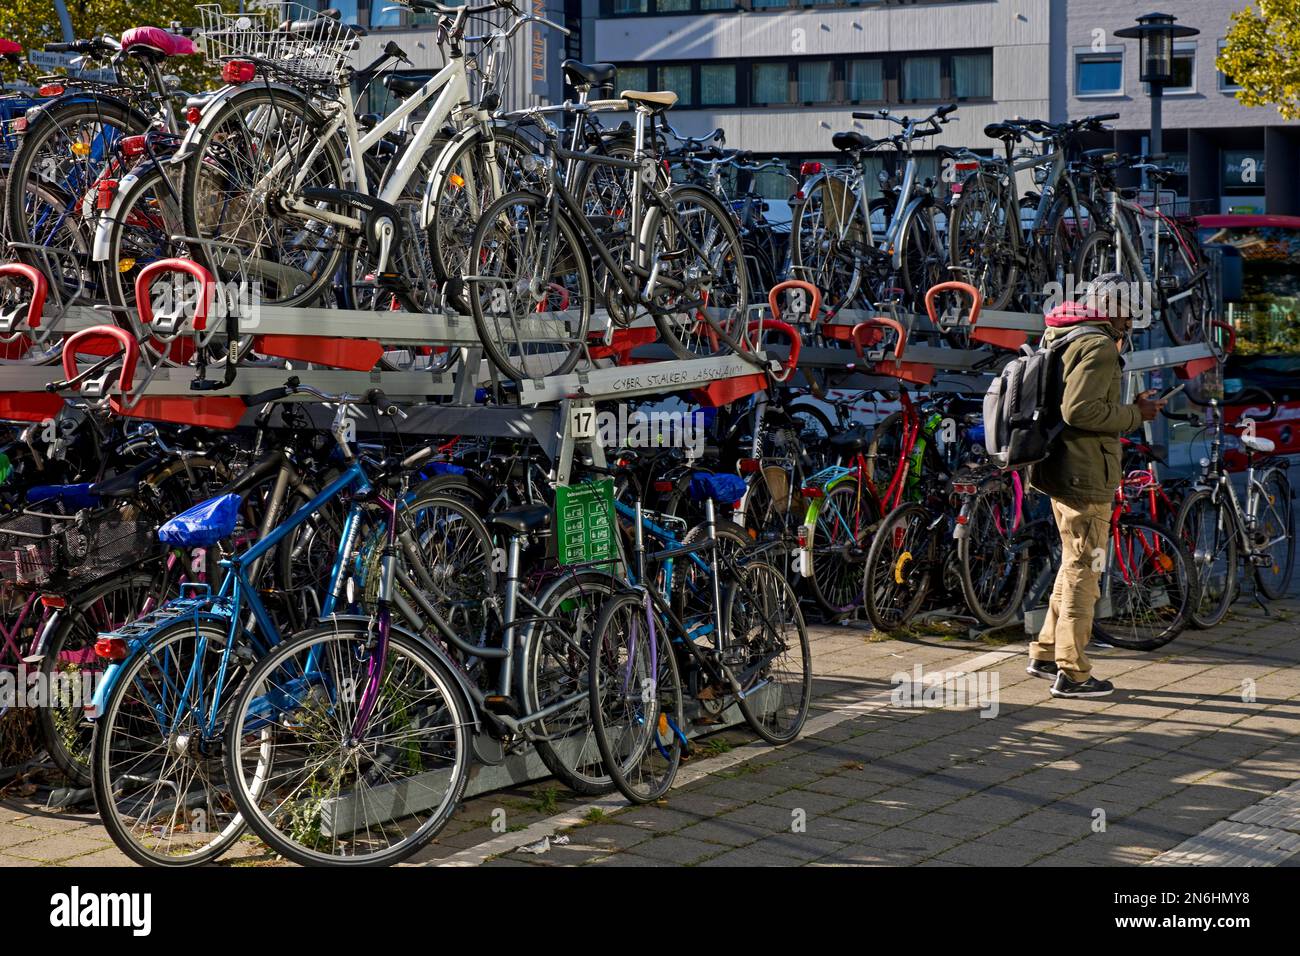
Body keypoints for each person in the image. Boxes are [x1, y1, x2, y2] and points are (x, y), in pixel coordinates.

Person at [1028, 275, 1166, 699]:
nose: (1132, 319)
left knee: (1072, 562)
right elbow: (1081, 410)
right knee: (1085, 572)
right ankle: (1073, 673)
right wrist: (1135, 414)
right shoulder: (1099, 345)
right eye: (1129, 309)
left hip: (1058, 468)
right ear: (1115, 308)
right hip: (1085, 473)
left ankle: (1046, 652)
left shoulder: (1064, 332)